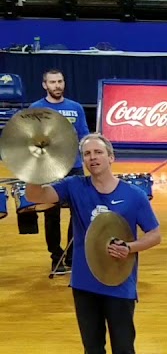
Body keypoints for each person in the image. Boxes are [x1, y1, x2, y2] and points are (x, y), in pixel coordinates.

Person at [23, 134, 162, 354]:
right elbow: (36, 195)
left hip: (120, 284)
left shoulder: (134, 195)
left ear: (111, 158)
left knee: (123, 348)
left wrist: (130, 248)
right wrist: (34, 167)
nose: (93, 158)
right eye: (87, 154)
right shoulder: (75, 187)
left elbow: (155, 235)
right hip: (85, 284)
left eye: (98, 152)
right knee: (93, 350)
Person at [30, 68, 90, 276]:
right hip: (49, 167)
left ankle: (74, 256)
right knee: (51, 214)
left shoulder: (76, 107)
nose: (57, 86)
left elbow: (84, 135)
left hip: (74, 165)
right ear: (44, 85)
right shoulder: (36, 109)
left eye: (60, 81)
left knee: (79, 211)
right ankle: (56, 256)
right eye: (52, 82)